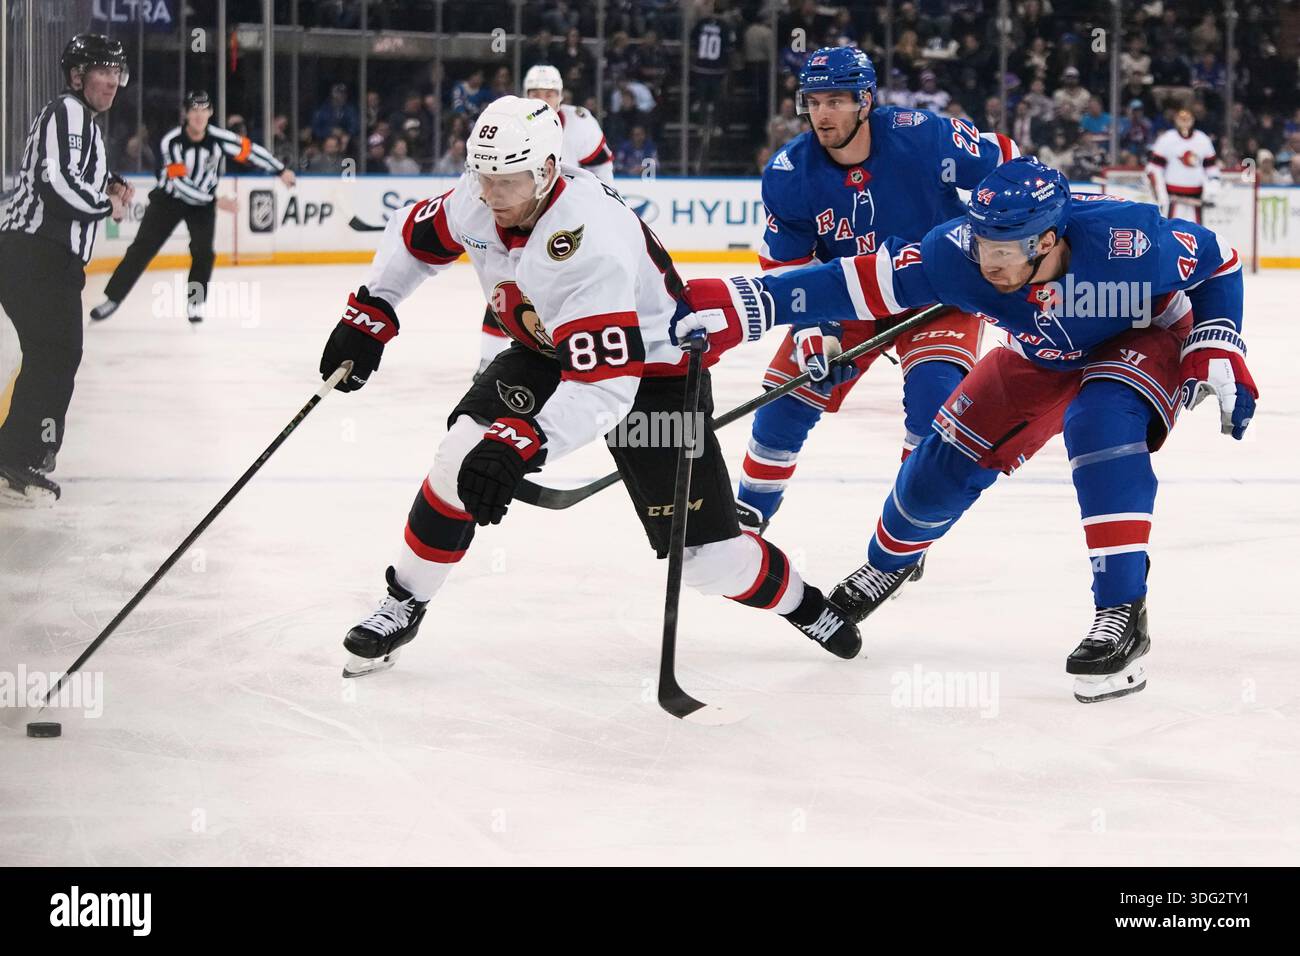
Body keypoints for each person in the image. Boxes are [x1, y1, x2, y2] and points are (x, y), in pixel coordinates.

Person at [314, 96, 862, 678]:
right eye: (484, 177)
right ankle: (405, 602)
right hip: (546, 349)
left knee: (709, 562)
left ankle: (804, 603)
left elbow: (604, 387)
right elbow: (416, 238)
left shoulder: (587, 242)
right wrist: (372, 311)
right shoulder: (478, 195)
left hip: (652, 370)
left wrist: (525, 440)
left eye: (510, 181)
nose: (494, 195)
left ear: (549, 170)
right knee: (458, 455)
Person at [729, 157, 1256, 702]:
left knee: (1098, 425)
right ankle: (887, 565)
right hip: (1044, 352)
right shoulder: (955, 250)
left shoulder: (1129, 242)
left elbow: (1220, 262)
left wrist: (1217, 336)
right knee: (934, 473)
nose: (986, 262)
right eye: (981, 243)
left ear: (1048, 240)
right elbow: (859, 282)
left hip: (1140, 333)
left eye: (1002, 250)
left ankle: (1122, 611)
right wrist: (745, 304)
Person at [735, 47, 1017, 535]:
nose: (822, 114)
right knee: (785, 401)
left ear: (865, 101)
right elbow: (787, 266)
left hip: (935, 290)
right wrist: (811, 332)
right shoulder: (788, 172)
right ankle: (748, 516)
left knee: (935, 401)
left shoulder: (924, 134)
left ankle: (910, 518)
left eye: (836, 101)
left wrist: (1000, 239)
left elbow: (1009, 164)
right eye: (813, 101)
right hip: (846, 291)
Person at [0, 34, 131, 504]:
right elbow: (54, 182)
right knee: (57, 354)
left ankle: (20, 452)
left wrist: (109, 185)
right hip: (35, 254)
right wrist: (107, 203)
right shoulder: (68, 111)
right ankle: (18, 452)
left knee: (54, 355)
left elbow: (73, 174)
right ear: (78, 76)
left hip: (46, 259)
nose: (114, 81)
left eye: (118, 72)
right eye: (104, 71)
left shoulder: (87, 125)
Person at [89, 91, 295, 324]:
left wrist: (280, 169)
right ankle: (112, 299)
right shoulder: (172, 142)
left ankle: (195, 301)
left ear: (210, 113)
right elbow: (179, 183)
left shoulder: (219, 138)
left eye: (203, 110)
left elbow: (251, 151)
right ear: (185, 114)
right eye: (194, 111)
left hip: (203, 205)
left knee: (203, 252)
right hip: (169, 199)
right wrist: (216, 201)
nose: (199, 116)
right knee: (142, 248)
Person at [474, 65, 618, 372]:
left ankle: (573, 353)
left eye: (550, 93)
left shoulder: (580, 123)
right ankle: (489, 360)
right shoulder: (511, 124)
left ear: (561, 95)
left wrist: (603, 204)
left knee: (569, 287)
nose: (543, 98)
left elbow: (601, 167)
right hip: (523, 215)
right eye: (536, 93)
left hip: (568, 216)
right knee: (507, 287)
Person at [1147, 107, 1221, 222]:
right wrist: (1160, 194)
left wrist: (1212, 189)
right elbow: (1154, 169)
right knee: (1171, 234)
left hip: (1196, 198)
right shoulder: (1167, 139)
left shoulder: (1203, 140)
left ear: (1193, 120)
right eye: (1181, 119)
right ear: (1175, 120)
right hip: (1172, 198)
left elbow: (1212, 169)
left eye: (1187, 118)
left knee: (1195, 235)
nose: (1184, 122)